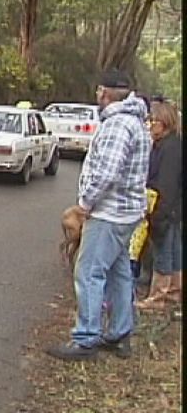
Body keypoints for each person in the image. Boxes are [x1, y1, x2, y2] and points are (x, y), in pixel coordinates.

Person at [47, 70, 150, 361]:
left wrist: (84, 205)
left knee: (89, 271)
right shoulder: (136, 121)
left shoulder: (118, 124)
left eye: (98, 91)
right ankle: (119, 333)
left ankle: (86, 339)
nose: (97, 95)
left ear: (104, 92)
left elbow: (107, 173)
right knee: (119, 272)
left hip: (110, 213)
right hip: (127, 212)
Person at [135, 102, 182, 310]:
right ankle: (174, 291)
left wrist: (158, 215)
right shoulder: (168, 144)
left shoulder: (170, 149)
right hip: (172, 209)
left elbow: (167, 184)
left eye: (154, 121)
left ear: (165, 123)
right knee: (174, 250)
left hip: (165, 209)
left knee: (163, 251)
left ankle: (158, 297)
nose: (150, 125)